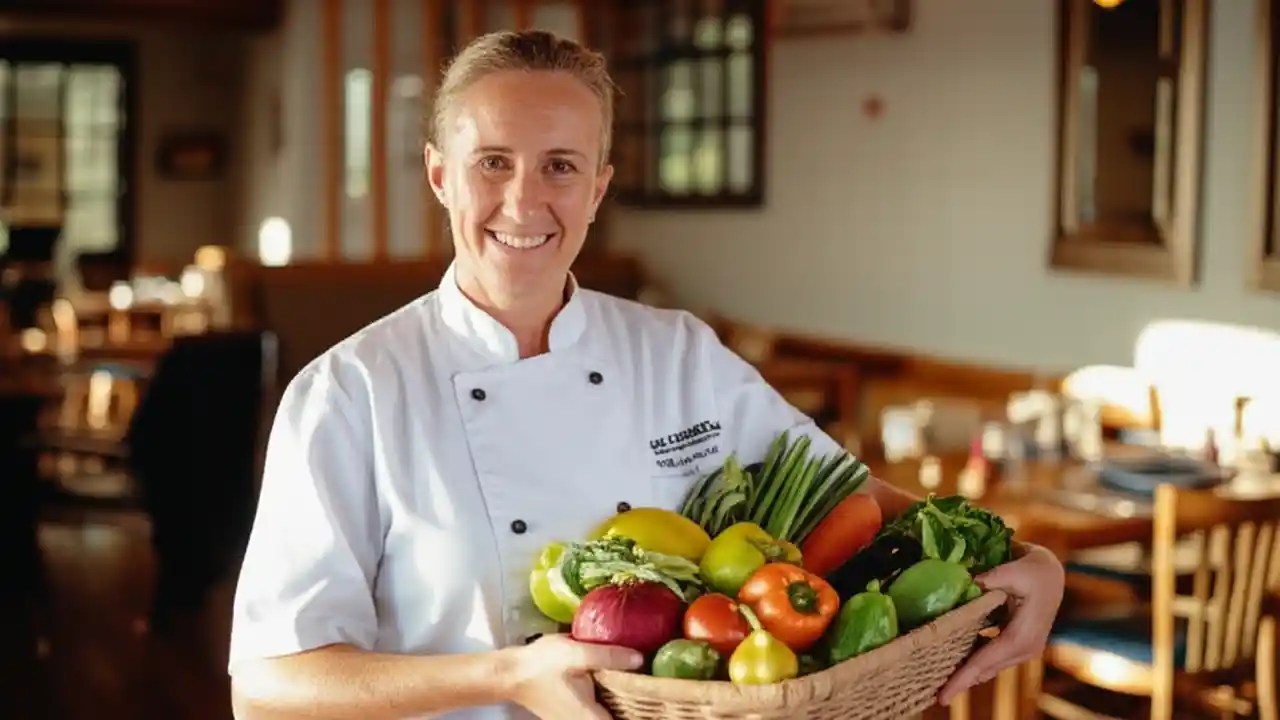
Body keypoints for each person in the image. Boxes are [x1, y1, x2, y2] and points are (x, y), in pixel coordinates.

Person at [227, 29, 1065, 720]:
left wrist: (1030, 559)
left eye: (560, 165)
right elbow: (266, 688)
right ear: (440, 175)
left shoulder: (677, 353)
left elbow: (845, 496)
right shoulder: (352, 393)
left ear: (597, 190)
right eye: (492, 162)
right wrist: (504, 675)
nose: (524, 201)